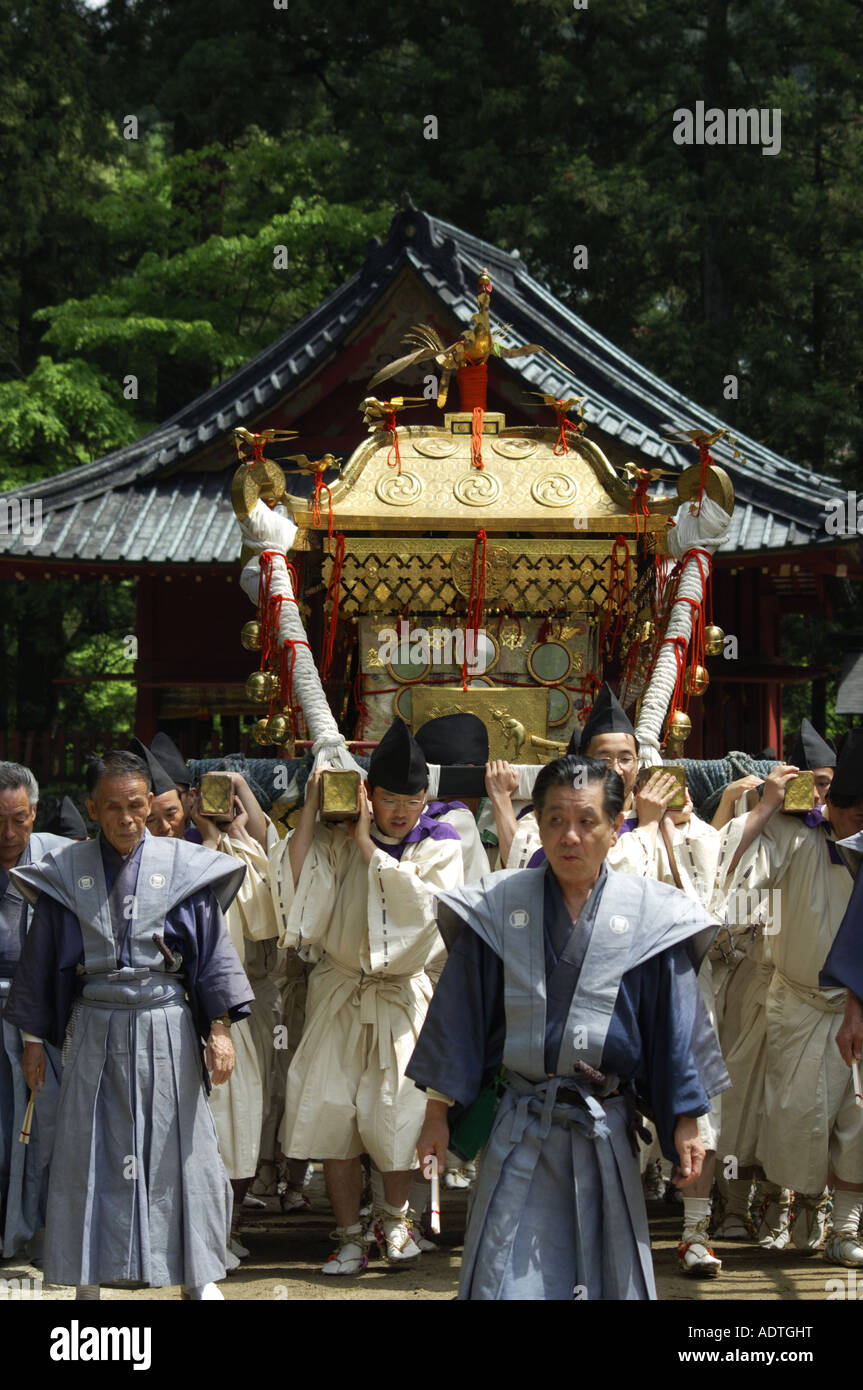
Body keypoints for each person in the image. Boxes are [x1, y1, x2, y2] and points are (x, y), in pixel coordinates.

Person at [408, 753, 728, 1300]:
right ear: (537, 824)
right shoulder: (498, 906)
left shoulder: (653, 915)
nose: (570, 837)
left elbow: (677, 1027)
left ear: (615, 826)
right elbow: (459, 1016)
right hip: (520, 1121)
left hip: (605, 1124)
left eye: (587, 821)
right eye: (554, 820)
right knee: (505, 1278)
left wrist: (688, 1120)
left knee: (607, 1276)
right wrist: (437, 1114)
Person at [4, 749, 254, 1300]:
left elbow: (211, 955)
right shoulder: (64, 873)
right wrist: (32, 1043)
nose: (125, 819)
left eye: (136, 806)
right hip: (93, 1025)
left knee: (182, 1147)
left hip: (166, 1021)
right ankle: (86, 1278)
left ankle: (198, 1274)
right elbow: (40, 961)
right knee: (84, 1149)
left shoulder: (185, 868)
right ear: (93, 808)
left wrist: (220, 1029)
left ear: (151, 805)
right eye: (112, 808)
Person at [269, 718, 464, 1275]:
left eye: (411, 799)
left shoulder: (439, 844)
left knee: (397, 1113)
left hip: (401, 994)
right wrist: (312, 806)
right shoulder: (335, 835)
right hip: (340, 990)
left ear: (425, 799)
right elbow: (299, 884)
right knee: (335, 1114)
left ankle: (395, 1221)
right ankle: (349, 1233)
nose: (399, 811)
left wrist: (365, 844)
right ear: (367, 794)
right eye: (387, 798)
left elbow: (425, 909)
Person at [719, 730, 863, 1264]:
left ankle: (846, 1227)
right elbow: (731, 884)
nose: (859, 824)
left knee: (858, 1121)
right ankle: (786, 1206)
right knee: (795, 1118)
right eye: (852, 813)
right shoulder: (793, 834)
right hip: (798, 1001)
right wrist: (766, 808)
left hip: (858, 1006)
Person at [0, 763, 72, 1261]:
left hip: (46, 1015)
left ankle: (51, 1238)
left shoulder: (62, 859)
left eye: (18, 819)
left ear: (35, 813)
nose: (8, 834)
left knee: (47, 1132)